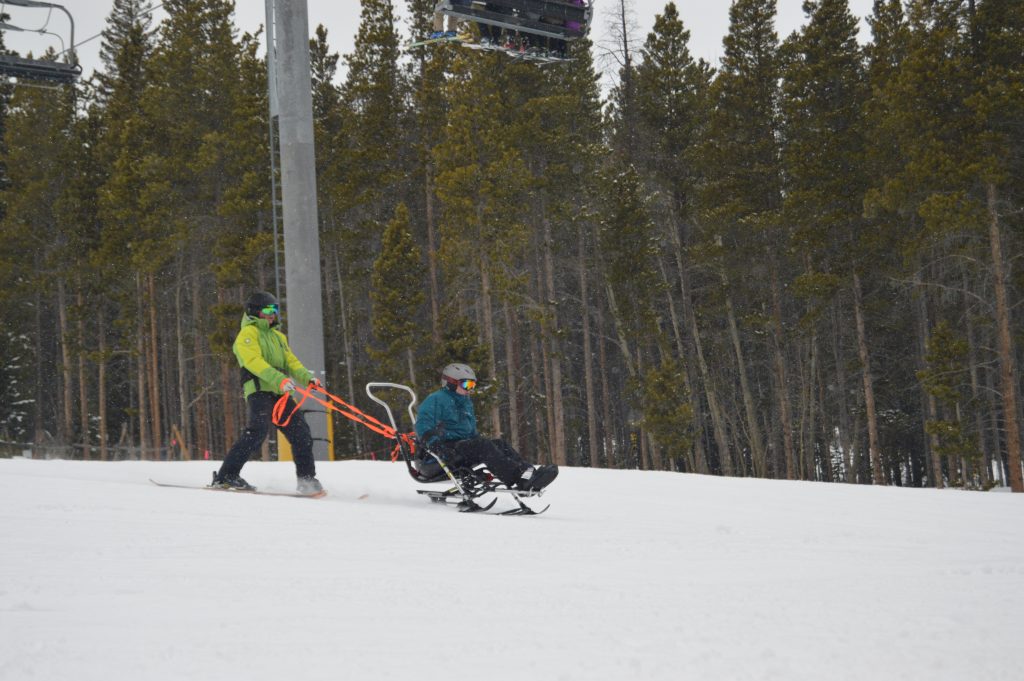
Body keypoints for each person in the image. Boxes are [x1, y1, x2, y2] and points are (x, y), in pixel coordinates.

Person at [212, 291, 324, 495]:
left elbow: (291, 362)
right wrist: (279, 379)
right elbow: (254, 363)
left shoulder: (278, 337)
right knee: (258, 431)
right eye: (268, 309)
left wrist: (307, 378)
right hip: (259, 391)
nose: (273, 314)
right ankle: (226, 475)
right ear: (255, 311)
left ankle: (307, 480)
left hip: (281, 393)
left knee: (302, 434)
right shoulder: (247, 335)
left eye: (275, 309)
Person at [414, 363, 558, 492]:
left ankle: (527, 473)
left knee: (498, 444)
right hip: (435, 457)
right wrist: (437, 447)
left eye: (472, 386)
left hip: (458, 449)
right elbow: (422, 426)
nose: (469, 390)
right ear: (451, 382)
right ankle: (516, 477)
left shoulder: (465, 402)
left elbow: (470, 433)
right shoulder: (436, 399)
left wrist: (480, 441)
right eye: (466, 385)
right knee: (482, 446)